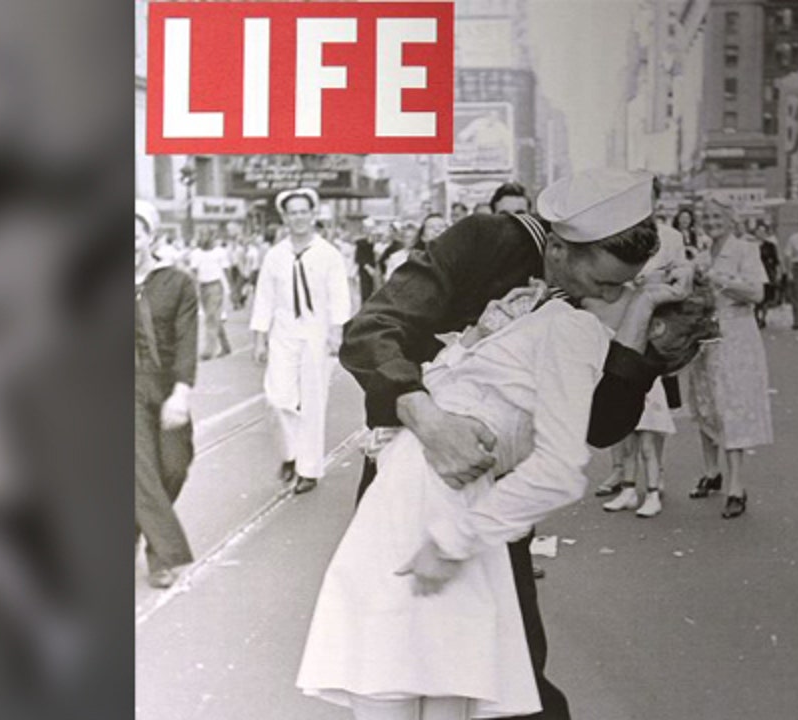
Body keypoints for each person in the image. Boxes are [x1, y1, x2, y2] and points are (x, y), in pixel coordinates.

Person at [309, 170, 701, 720]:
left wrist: (639, 320)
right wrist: (427, 418)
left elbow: (602, 426)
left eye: (622, 286)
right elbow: (371, 330)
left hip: (488, 496)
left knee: (497, 673)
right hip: (412, 477)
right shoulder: (486, 242)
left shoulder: (601, 307)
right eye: (605, 282)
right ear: (559, 248)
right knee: (402, 672)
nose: (608, 295)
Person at [250, 188, 352, 494]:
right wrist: (259, 338)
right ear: (284, 218)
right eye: (292, 212)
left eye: (303, 211)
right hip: (283, 333)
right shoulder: (275, 256)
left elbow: (339, 296)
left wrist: (337, 333)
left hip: (316, 334)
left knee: (312, 401)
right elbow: (264, 299)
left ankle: (308, 469)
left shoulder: (328, 254)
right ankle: (290, 453)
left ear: (313, 214)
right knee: (277, 398)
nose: (298, 218)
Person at [599, 177, 690, 516]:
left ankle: (655, 479)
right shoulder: (612, 234)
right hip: (619, 324)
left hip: (657, 328)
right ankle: (625, 477)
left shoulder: (671, 238)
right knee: (618, 401)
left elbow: (682, 280)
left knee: (655, 411)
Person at [685, 202, 773, 518]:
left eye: (716, 216)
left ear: (730, 219)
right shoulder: (701, 254)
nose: (710, 221)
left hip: (736, 336)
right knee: (705, 404)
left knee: (733, 406)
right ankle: (712, 472)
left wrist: (718, 279)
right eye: (705, 217)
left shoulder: (744, 250)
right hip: (706, 337)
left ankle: (737, 485)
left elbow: (757, 294)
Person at [135, 200, 198, 589]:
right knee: (139, 468)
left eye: (134, 233)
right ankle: (163, 557)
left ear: (150, 237)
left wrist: (181, 392)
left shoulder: (176, 283)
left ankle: (134, 525)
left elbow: (187, 339)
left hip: (166, 382)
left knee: (174, 464)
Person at [188, 230, 232, 359]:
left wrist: (230, 287)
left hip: (215, 286)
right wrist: (194, 289)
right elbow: (194, 272)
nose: (204, 239)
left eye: (207, 236)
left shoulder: (220, 252)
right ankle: (225, 346)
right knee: (213, 318)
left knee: (210, 318)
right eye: (202, 236)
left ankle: (208, 350)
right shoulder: (195, 254)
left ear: (213, 238)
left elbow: (226, 270)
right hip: (203, 286)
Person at [753, 221, 783, 328]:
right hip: (753, 273)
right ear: (755, 232)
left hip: (767, 273)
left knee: (765, 297)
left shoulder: (770, 246)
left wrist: (778, 273)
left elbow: (776, 261)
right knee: (755, 296)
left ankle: (763, 318)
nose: (761, 233)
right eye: (759, 231)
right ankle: (755, 316)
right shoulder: (750, 245)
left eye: (763, 231)